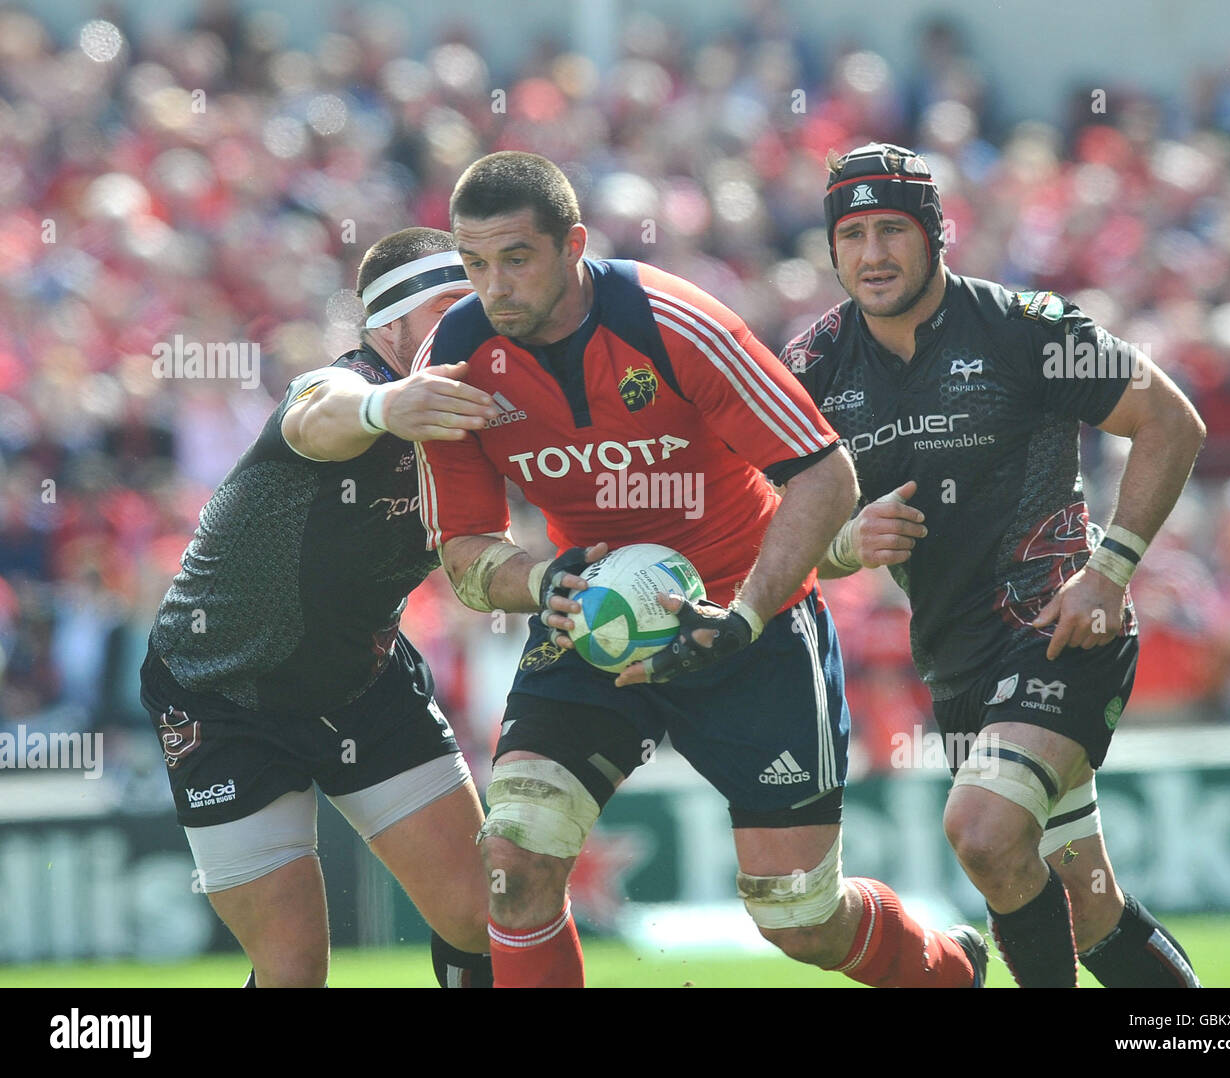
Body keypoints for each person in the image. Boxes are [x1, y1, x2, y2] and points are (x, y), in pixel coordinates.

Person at [413, 150, 988, 989]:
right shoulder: (456, 359)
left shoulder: (674, 325)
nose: (493, 286)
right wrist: (545, 584)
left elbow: (826, 476)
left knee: (799, 916)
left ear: (573, 245)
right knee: (516, 862)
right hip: (591, 622)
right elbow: (463, 549)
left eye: (516, 258)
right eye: (473, 264)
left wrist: (745, 616)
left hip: (753, 625)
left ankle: (945, 972)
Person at [781, 142, 1205, 987]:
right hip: (955, 660)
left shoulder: (1024, 328)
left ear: (935, 235)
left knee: (981, 831)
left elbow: (1171, 421)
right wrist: (842, 542)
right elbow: (773, 530)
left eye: (893, 229)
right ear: (831, 248)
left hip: (1060, 627)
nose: (873, 254)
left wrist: (1110, 570)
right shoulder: (811, 369)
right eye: (853, 234)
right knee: (1089, 909)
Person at [140, 227, 500, 987]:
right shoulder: (350, 386)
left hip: (360, 681)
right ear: (390, 327)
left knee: (484, 918)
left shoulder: (485, 406)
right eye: (451, 304)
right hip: (217, 690)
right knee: (294, 971)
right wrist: (388, 407)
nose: (476, 320)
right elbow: (318, 413)